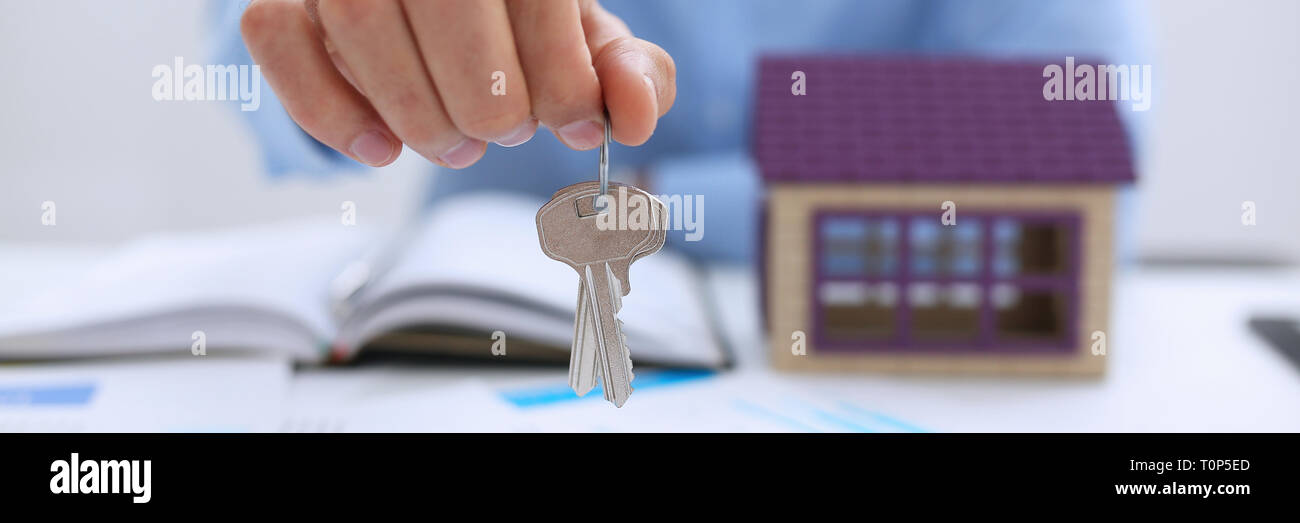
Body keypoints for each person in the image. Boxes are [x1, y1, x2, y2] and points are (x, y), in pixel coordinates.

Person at [216, 0, 1149, 263]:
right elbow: (247, 45)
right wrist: (335, 48)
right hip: (476, 338)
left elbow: (1068, 170)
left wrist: (658, 209)